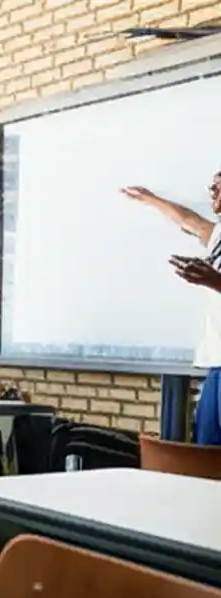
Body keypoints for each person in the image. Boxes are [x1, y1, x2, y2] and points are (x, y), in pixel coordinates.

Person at [123, 173, 221, 444]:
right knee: (208, 459)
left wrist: (215, 281)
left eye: (220, 181)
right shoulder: (218, 234)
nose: (212, 188)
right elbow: (188, 220)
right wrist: (150, 199)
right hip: (216, 366)